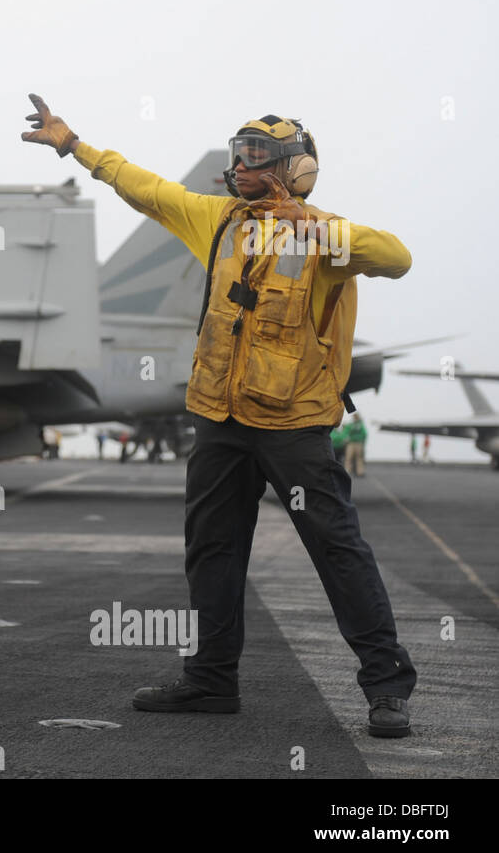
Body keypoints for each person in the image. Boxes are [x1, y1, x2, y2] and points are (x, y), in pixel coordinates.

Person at [22, 95, 415, 737]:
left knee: (338, 553)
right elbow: (145, 189)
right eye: (239, 154)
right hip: (220, 422)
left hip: (293, 427)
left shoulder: (329, 237)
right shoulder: (220, 220)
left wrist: (314, 226)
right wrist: (75, 145)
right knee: (212, 551)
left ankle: (387, 689)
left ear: (296, 170)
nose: (242, 166)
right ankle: (210, 682)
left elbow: (398, 258)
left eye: (257, 157)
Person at [343, 413, 367, 477]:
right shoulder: (350, 425)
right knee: (348, 458)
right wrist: (345, 438)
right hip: (351, 443)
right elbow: (345, 432)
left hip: (358, 443)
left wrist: (362, 441)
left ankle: (360, 472)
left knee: (359, 458)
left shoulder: (360, 425)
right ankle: (347, 472)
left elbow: (364, 433)